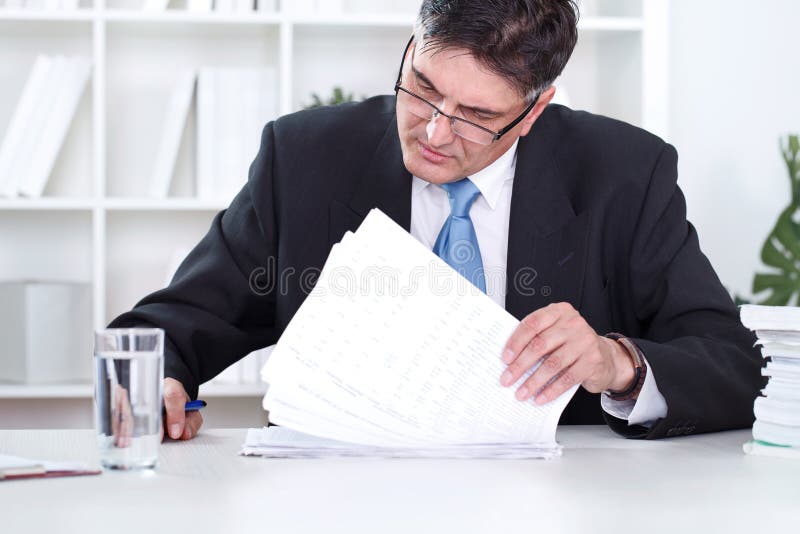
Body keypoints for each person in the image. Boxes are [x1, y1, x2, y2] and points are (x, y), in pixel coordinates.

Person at [110, 0, 763, 442]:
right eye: (422, 86)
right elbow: (173, 323)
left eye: (476, 115)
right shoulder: (305, 157)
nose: (434, 132)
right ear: (410, 46)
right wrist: (157, 377)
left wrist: (617, 363)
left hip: (557, 508)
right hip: (339, 507)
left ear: (534, 112)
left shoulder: (624, 172)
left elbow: (733, 362)